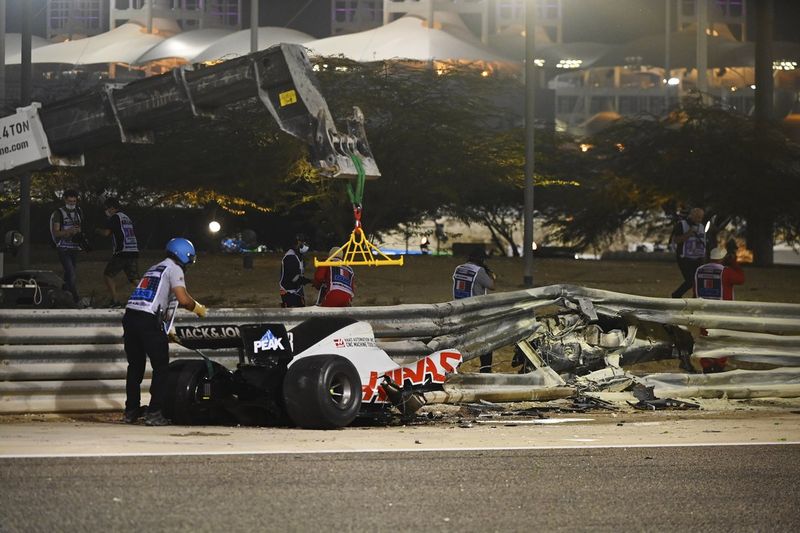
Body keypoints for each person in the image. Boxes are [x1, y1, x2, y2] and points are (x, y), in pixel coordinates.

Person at [122, 238, 208, 426]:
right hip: (148, 319)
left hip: (130, 317)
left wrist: (163, 329)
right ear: (183, 255)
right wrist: (197, 308)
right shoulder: (174, 268)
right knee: (161, 368)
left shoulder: (154, 268)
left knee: (135, 367)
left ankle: (130, 411)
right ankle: (154, 413)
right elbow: (183, 299)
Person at [693, 246, 746, 373]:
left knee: (705, 337)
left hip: (703, 309)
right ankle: (718, 364)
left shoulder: (699, 270)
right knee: (722, 338)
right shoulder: (726, 272)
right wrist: (734, 263)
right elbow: (741, 279)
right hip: (722, 311)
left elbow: (695, 289)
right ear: (723, 258)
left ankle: (707, 364)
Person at [452, 248, 496, 373]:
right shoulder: (479, 271)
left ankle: (452, 369)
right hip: (477, 313)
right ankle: (485, 370)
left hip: (460, 310)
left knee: (460, 343)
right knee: (486, 342)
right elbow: (492, 285)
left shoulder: (459, 268)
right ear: (481, 260)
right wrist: (490, 273)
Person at [95, 197, 139, 307]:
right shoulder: (126, 217)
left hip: (122, 251)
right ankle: (149, 296)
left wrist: (97, 230)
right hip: (133, 250)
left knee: (108, 275)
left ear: (112, 208)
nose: (106, 211)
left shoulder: (115, 217)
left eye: (107, 208)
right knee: (134, 278)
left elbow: (106, 233)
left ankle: (115, 301)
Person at [49, 189, 86, 305]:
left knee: (68, 274)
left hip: (75, 247)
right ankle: (76, 299)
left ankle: (62, 296)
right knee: (71, 273)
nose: (72, 204)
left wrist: (79, 232)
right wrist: (69, 231)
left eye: (74, 201)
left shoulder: (79, 211)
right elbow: (56, 233)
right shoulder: (59, 213)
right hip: (63, 247)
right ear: (65, 200)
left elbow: (81, 227)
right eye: (70, 201)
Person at [670, 207, 707, 298]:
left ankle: (696, 298)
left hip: (698, 258)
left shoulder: (702, 227)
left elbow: (703, 242)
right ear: (691, 215)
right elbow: (676, 240)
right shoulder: (681, 225)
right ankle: (676, 295)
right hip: (684, 257)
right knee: (690, 280)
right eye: (697, 217)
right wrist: (689, 233)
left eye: (701, 217)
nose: (699, 220)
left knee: (699, 280)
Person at [279, 233, 311, 308]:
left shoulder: (297, 256)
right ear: (298, 243)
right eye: (303, 242)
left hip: (296, 290)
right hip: (290, 293)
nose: (305, 245)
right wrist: (310, 281)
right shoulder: (290, 258)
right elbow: (294, 278)